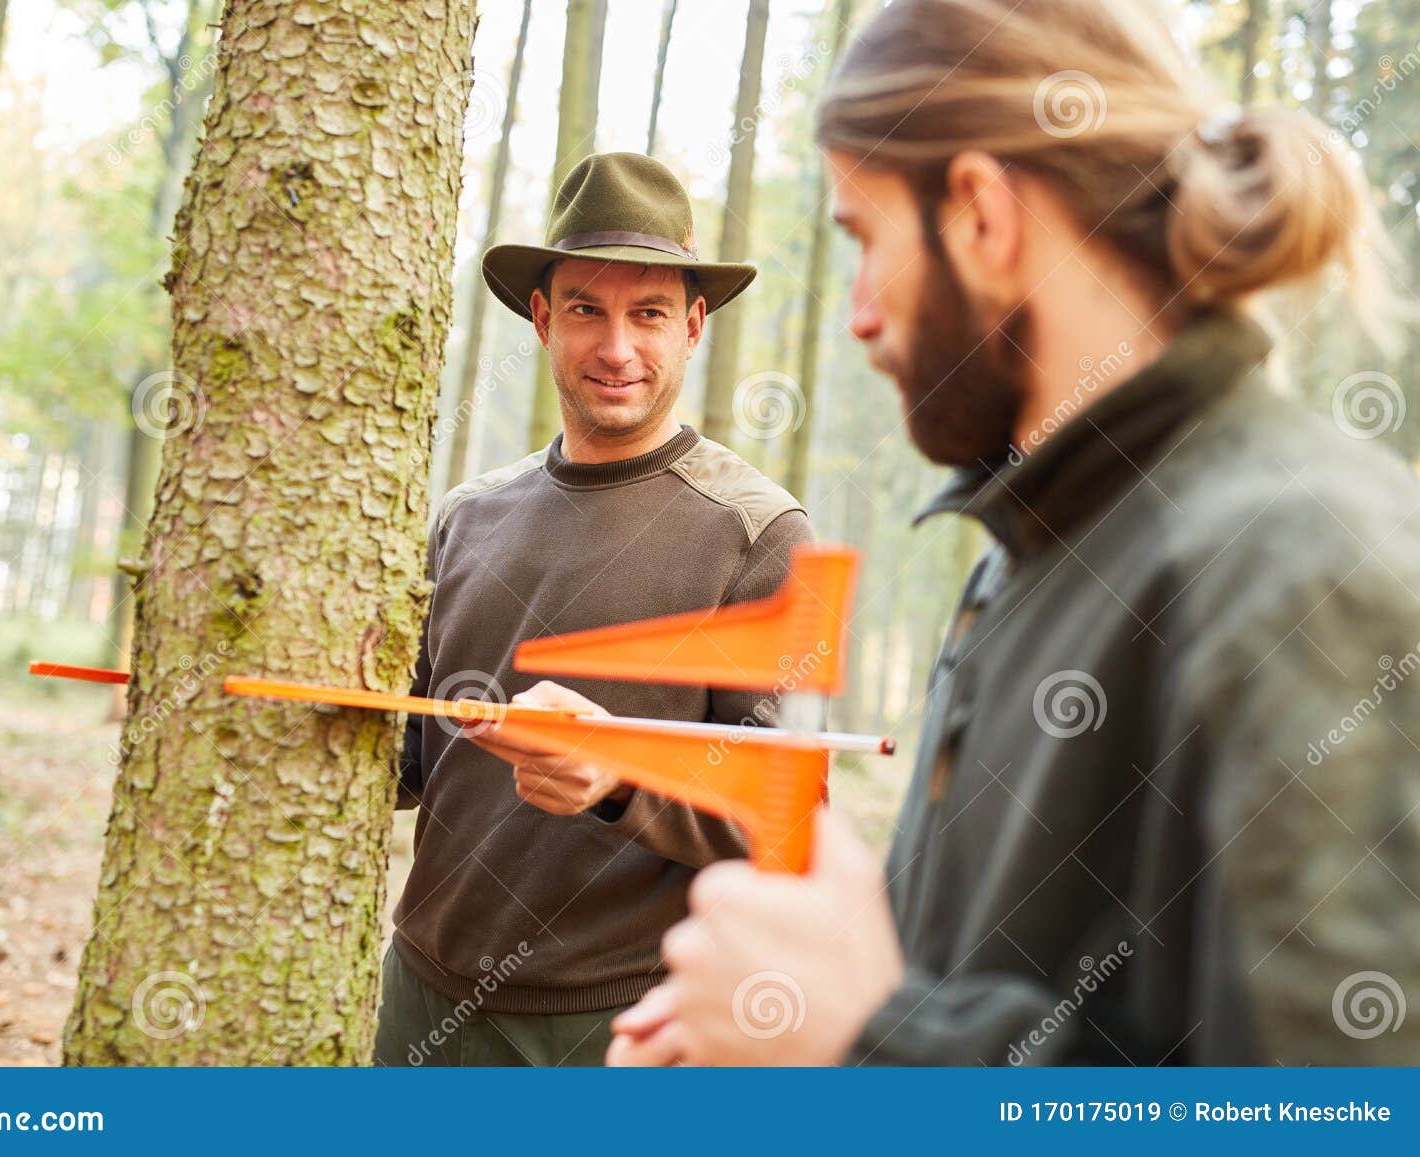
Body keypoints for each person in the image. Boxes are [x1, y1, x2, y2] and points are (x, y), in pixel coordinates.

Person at [607, 0, 1420, 1066]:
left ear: (981, 215)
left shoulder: (1305, 567)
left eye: (867, 242)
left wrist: (868, 1039)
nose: (858, 313)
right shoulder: (1036, 548)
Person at [374, 152, 814, 1066]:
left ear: (693, 326)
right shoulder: (465, 518)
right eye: (586, 310)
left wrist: (618, 779)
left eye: (648, 313)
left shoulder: (758, 534)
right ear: (542, 319)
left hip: (617, 1023)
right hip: (419, 997)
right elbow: (411, 762)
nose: (617, 349)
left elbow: (788, 813)